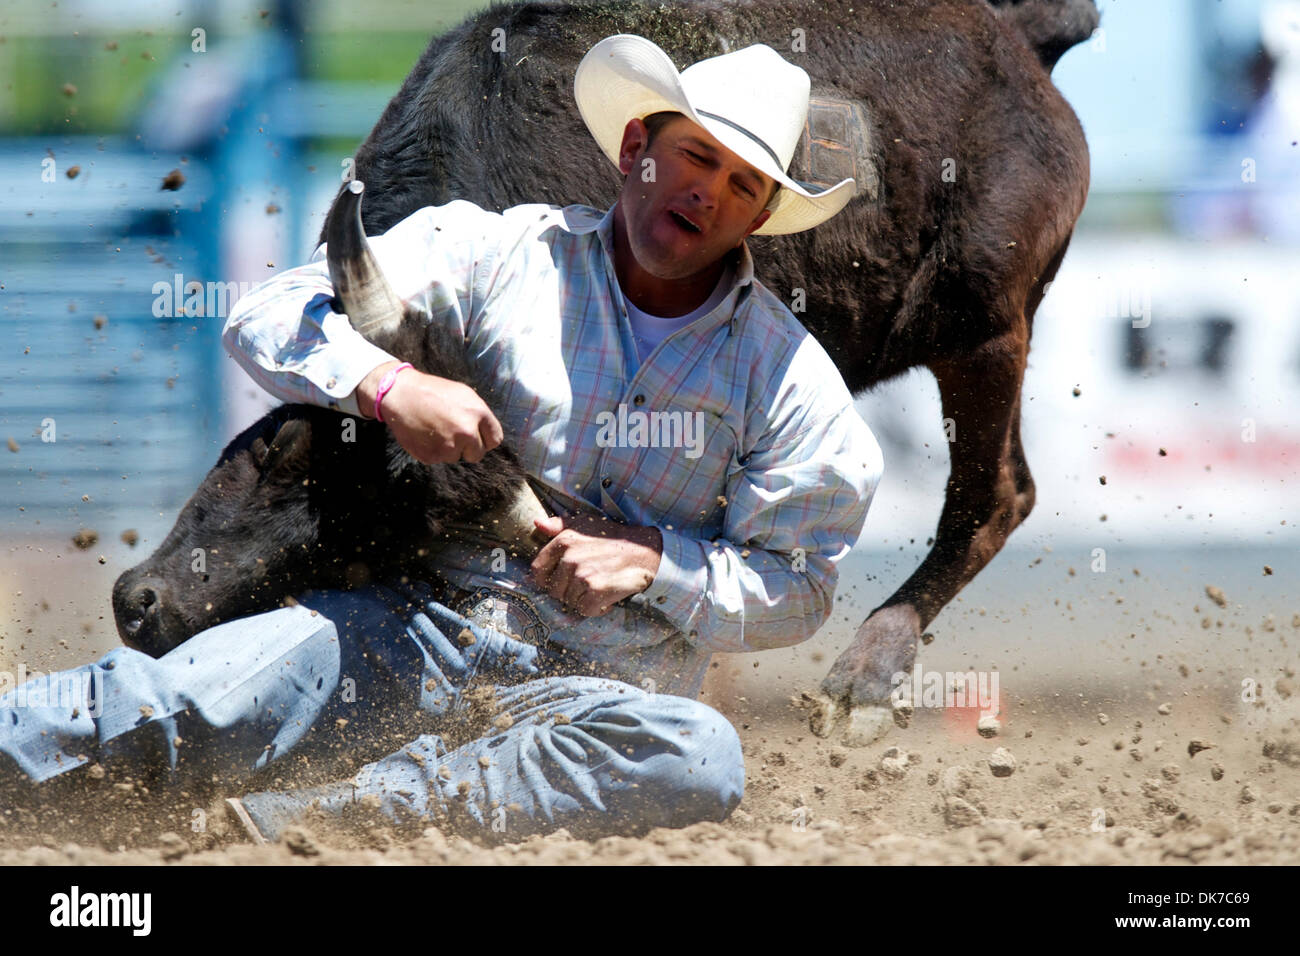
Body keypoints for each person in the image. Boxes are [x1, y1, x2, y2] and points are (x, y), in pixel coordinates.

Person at [0, 35, 882, 844]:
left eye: (743, 186)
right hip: (405, 630)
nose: (709, 193)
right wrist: (392, 384)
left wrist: (658, 562)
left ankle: (324, 822)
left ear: (760, 218)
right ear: (635, 151)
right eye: (697, 157)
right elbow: (270, 311)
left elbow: (799, 586)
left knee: (696, 755)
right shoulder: (498, 256)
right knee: (174, 700)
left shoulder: (792, 384)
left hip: (598, 697)